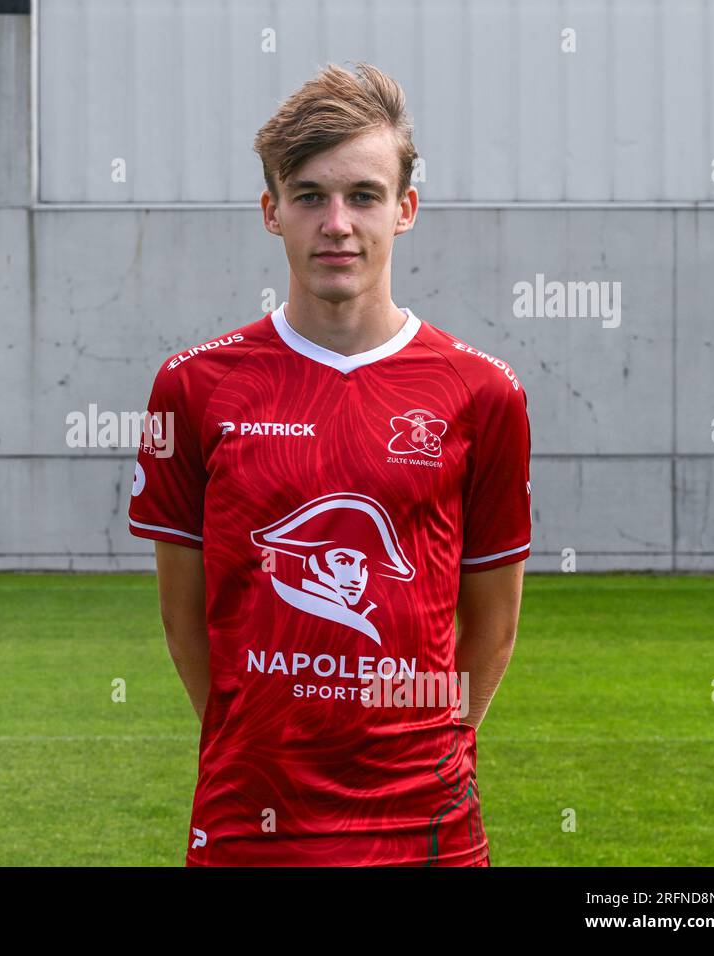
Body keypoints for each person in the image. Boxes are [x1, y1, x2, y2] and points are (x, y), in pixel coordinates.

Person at [128, 62, 531, 866]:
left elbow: (491, 623)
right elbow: (184, 621)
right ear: (271, 211)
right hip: (251, 815)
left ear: (405, 209)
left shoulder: (482, 392)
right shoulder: (193, 385)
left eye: (364, 196)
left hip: (427, 821)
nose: (337, 223)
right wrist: (259, 740)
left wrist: (424, 739)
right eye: (310, 196)